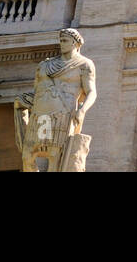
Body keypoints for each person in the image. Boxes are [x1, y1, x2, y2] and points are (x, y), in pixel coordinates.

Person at [14, 28, 97, 171]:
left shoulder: (84, 64)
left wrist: (82, 110)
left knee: (54, 157)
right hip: (41, 115)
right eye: (60, 41)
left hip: (62, 115)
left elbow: (91, 92)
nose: (61, 44)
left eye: (65, 41)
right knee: (27, 155)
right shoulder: (45, 65)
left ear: (75, 43)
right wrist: (23, 101)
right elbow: (37, 91)